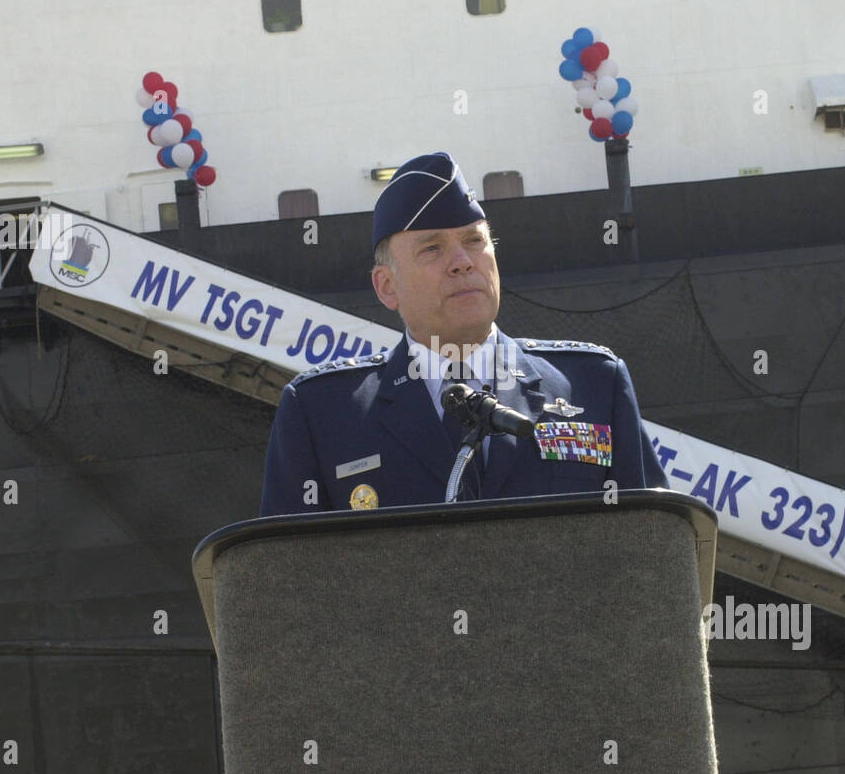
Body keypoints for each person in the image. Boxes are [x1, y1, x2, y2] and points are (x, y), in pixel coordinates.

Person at [259, 150, 668, 516]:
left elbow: (658, 549)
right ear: (387, 287)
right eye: (432, 249)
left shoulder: (594, 384)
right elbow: (286, 580)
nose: (462, 262)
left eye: (475, 241)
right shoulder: (323, 413)